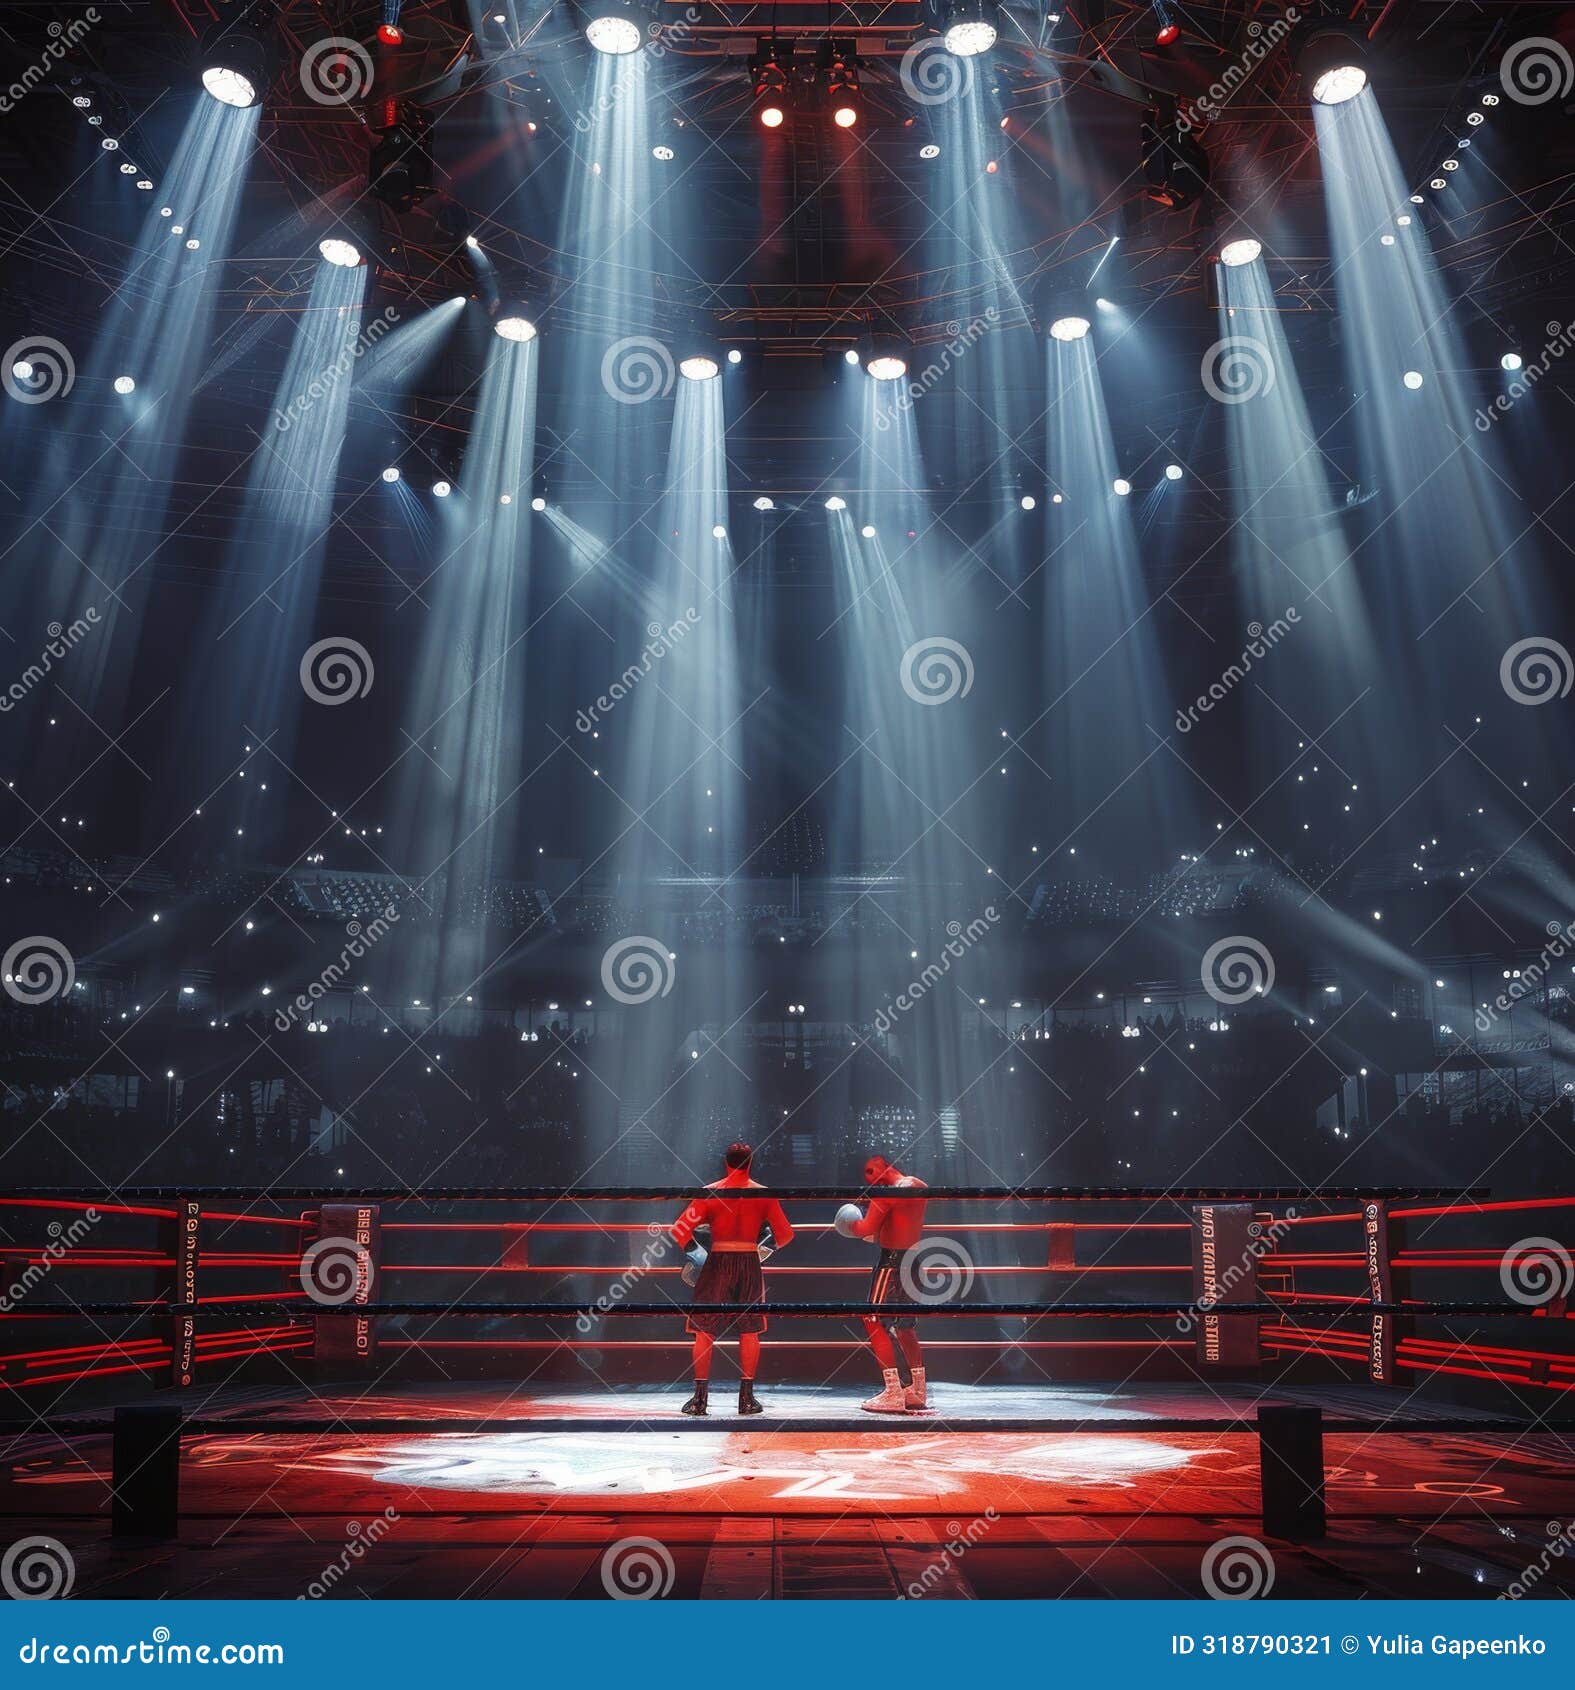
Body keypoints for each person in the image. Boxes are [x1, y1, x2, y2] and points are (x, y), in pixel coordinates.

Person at [670, 1142, 794, 1416]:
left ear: (726, 1163)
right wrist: (763, 1249)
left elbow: (680, 1229)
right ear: (751, 1163)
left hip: (717, 1260)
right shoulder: (764, 1195)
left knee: (704, 1329)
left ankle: (699, 1400)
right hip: (749, 1260)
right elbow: (785, 1235)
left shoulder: (710, 1192)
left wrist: (697, 1254)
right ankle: (746, 1400)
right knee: (749, 1330)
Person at [840, 1153, 929, 1413]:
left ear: (886, 1165)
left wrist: (847, 1223)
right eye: (865, 1174)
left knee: (873, 1319)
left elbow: (864, 1228)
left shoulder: (897, 1191)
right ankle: (916, 1391)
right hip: (912, 1260)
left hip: (892, 1262)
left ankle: (893, 1392)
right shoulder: (909, 1189)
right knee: (904, 1326)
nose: (869, 1177)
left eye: (871, 1170)